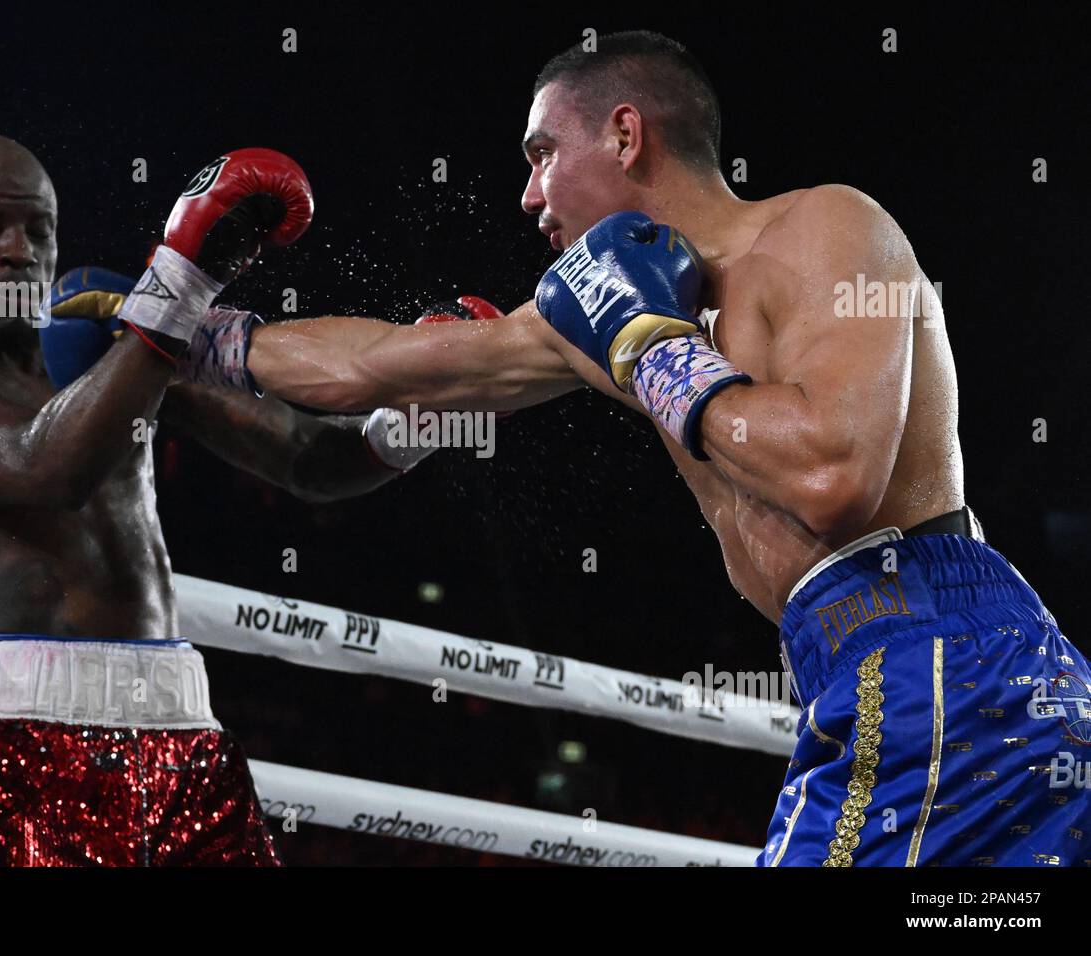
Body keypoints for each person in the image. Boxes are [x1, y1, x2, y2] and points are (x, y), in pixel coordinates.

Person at [204, 31, 1088, 866]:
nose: (529, 196)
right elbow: (380, 364)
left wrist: (649, 345)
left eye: (542, 153)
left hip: (942, 660)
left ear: (626, 134)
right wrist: (189, 333)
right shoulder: (586, 317)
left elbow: (833, 478)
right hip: (875, 675)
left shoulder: (824, 229)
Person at [0, 134, 432, 866]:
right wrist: (177, 286)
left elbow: (309, 459)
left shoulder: (115, 347)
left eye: (39, 229)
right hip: (26, 739)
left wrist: (424, 416)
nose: (19, 250)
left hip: (185, 731)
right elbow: (45, 468)